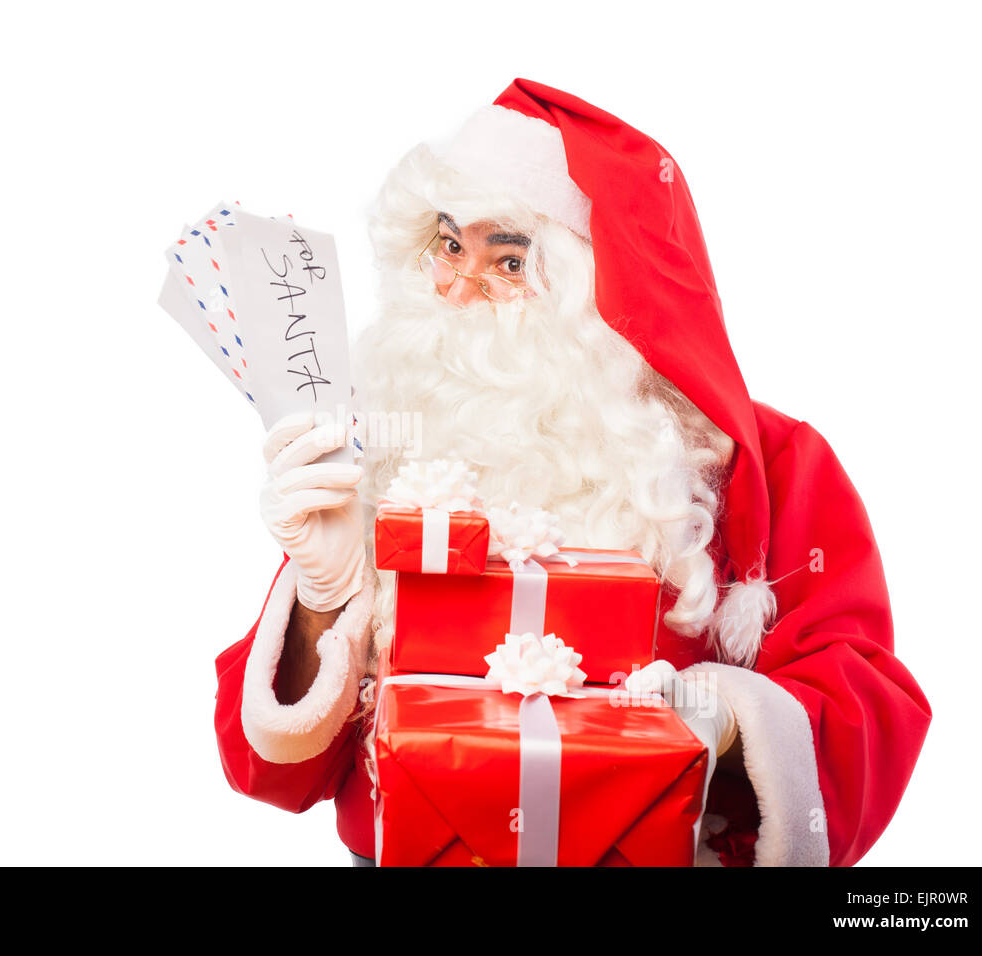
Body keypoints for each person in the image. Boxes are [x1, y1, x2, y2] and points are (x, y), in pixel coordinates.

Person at [212, 78, 931, 866]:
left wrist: (729, 723)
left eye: (507, 258)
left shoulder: (766, 462)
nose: (456, 288)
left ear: (598, 291)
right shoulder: (386, 437)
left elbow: (869, 710)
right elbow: (276, 773)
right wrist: (322, 603)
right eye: (448, 246)